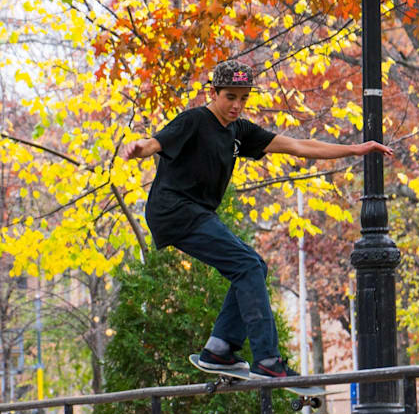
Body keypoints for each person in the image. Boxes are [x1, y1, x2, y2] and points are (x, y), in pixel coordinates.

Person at [124, 59, 393, 379]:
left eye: (243, 99)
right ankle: (267, 359)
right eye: (230, 97)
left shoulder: (240, 131)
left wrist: (354, 149)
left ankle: (220, 349)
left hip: (193, 213)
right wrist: (140, 147)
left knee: (253, 267)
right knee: (248, 265)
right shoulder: (194, 120)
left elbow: (296, 145)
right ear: (214, 92)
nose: (237, 106)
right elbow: (156, 142)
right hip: (174, 210)